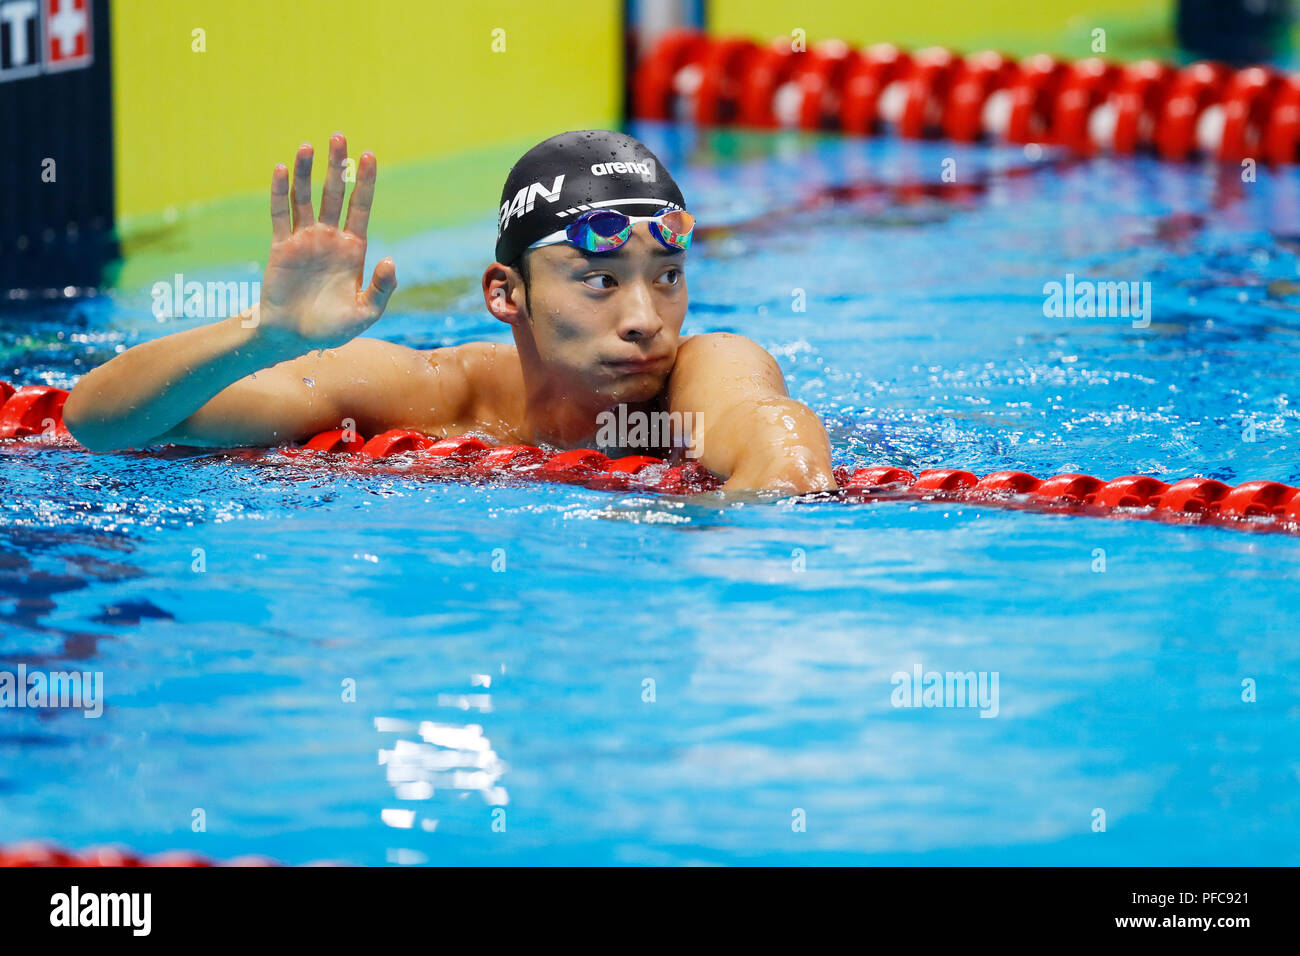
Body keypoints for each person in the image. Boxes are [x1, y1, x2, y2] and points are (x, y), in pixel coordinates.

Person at [63, 130, 836, 492]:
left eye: (666, 276)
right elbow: (99, 425)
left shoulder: (706, 368)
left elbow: (782, 454)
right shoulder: (434, 396)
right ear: (506, 295)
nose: (645, 317)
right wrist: (262, 337)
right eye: (599, 281)